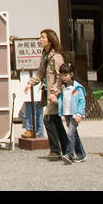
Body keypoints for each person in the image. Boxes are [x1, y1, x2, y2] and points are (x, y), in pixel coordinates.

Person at [30, 29, 66, 160]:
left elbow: (61, 76)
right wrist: (31, 83)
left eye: (43, 38)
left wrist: (55, 92)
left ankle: (55, 150)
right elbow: (40, 72)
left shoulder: (56, 57)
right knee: (55, 120)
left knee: (48, 119)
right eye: (40, 37)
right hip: (48, 92)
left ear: (50, 40)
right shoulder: (45, 55)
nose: (41, 40)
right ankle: (66, 148)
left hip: (55, 94)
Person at [55, 63, 87, 164]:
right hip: (67, 113)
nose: (63, 78)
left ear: (71, 74)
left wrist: (79, 114)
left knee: (70, 134)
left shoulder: (77, 87)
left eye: (66, 75)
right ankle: (81, 154)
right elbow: (62, 101)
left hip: (75, 114)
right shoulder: (63, 88)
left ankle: (68, 154)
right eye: (62, 75)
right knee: (73, 134)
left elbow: (82, 101)